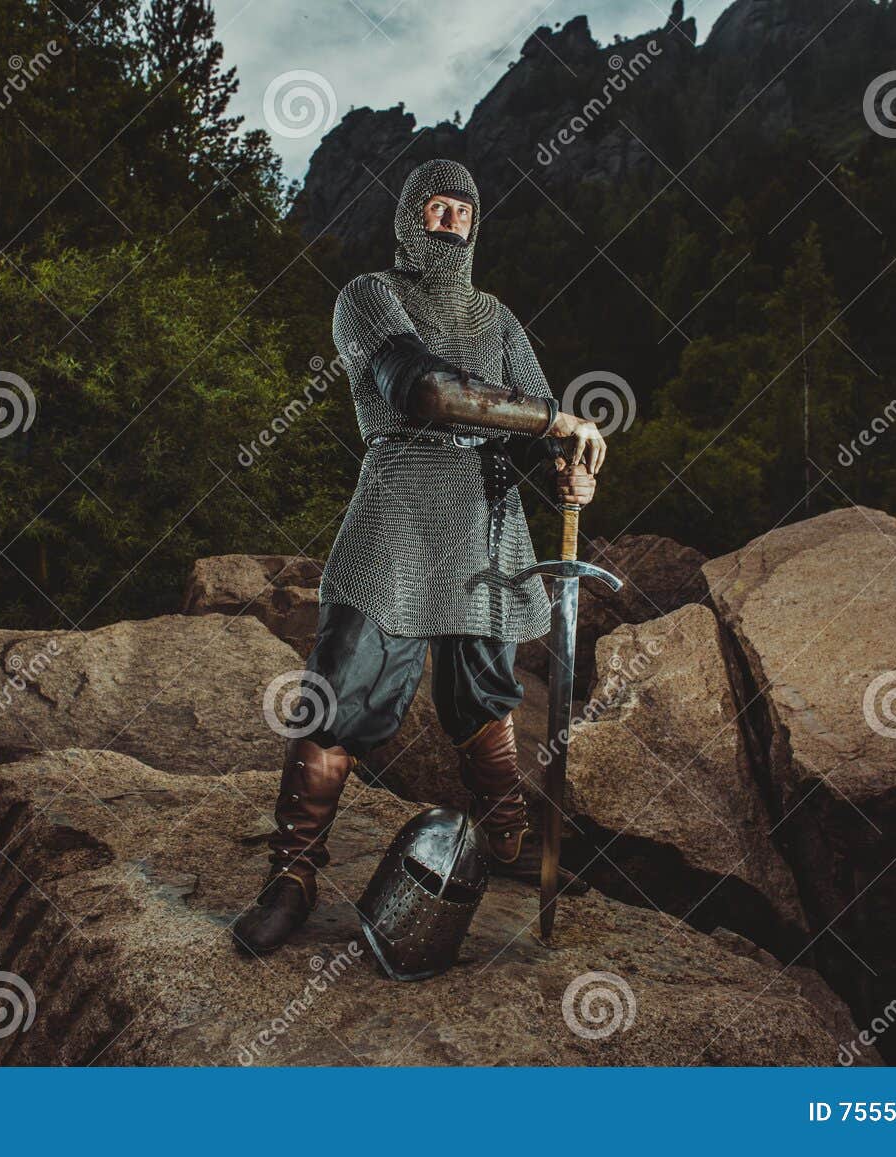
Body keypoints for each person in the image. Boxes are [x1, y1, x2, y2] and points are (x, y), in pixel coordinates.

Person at [232, 158, 606, 956]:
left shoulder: (499, 319)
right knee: (341, 691)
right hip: (398, 512)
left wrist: (570, 470)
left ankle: (505, 842)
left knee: (485, 694)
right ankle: (294, 873)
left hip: (485, 517)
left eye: (463, 213)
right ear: (410, 221)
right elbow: (425, 393)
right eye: (436, 210)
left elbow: (545, 438)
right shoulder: (370, 297)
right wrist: (560, 420)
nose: (451, 223)